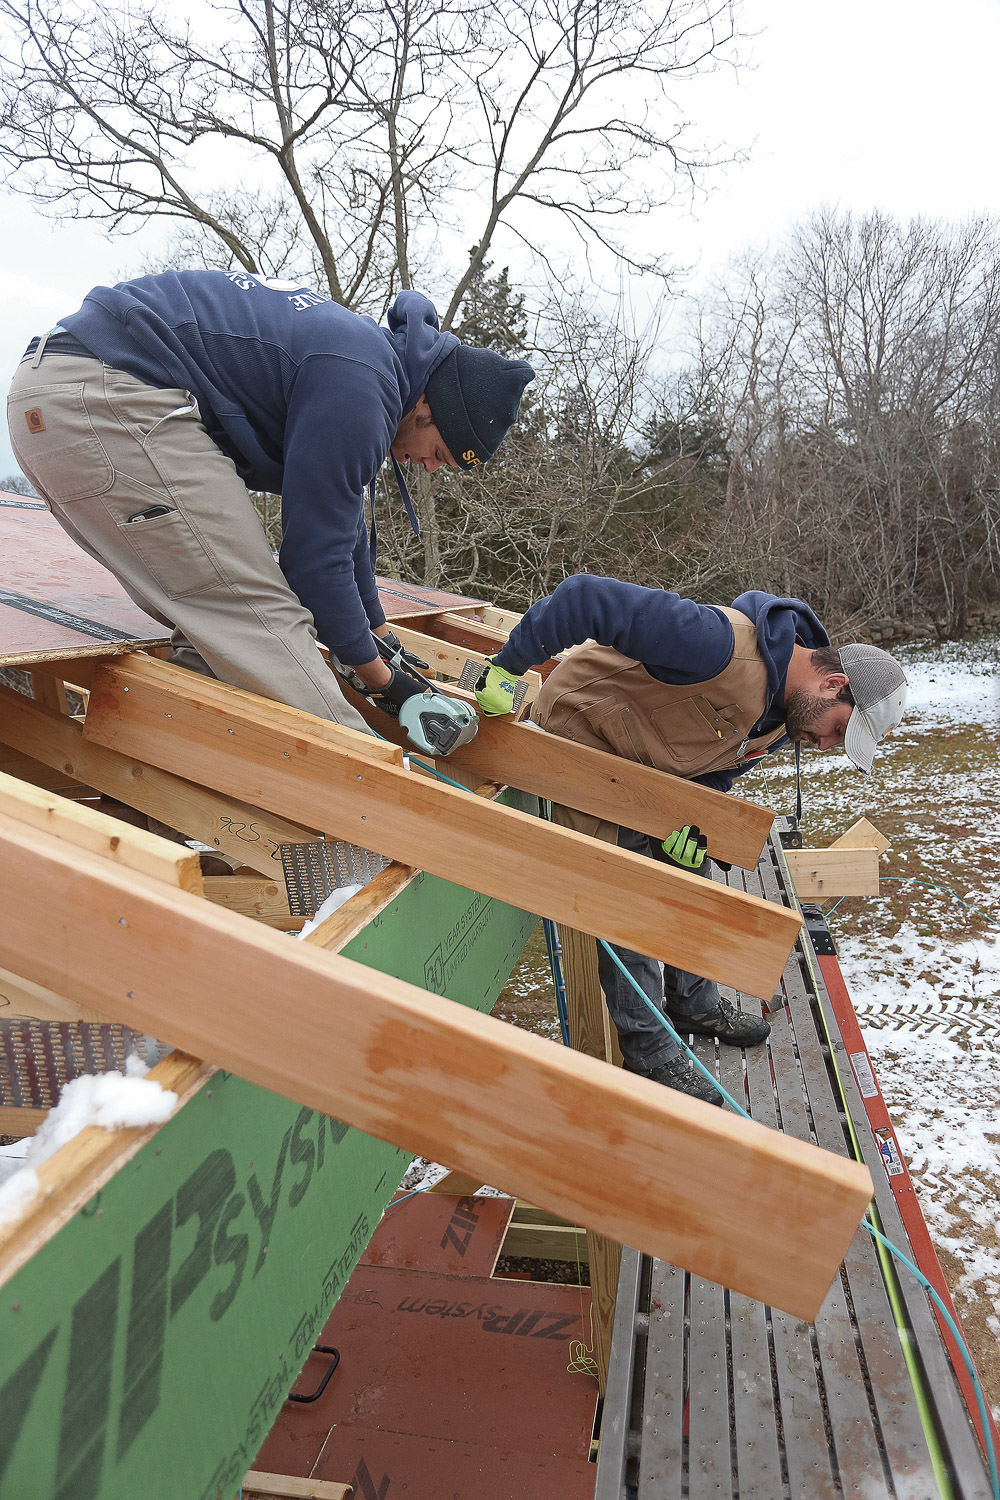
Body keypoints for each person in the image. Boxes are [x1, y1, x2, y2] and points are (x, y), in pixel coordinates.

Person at [7, 269, 533, 739]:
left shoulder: (365, 364)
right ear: (427, 405)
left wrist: (380, 640)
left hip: (60, 395)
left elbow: (340, 532)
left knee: (219, 632)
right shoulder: (361, 385)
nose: (431, 467)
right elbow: (312, 566)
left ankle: (193, 793)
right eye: (440, 452)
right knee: (259, 614)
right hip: (103, 399)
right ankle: (365, 815)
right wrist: (384, 684)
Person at [475, 574, 908, 1105]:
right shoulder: (718, 646)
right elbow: (584, 598)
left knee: (688, 873)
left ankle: (692, 1002)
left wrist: (695, 828)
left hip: (645, 771)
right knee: (628, 889)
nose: (826, 745)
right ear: (833, 685)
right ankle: (651, 1053)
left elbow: (714, 773)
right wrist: (507, 666)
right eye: (839, 731)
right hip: (578, 739)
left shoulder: (784, 717)